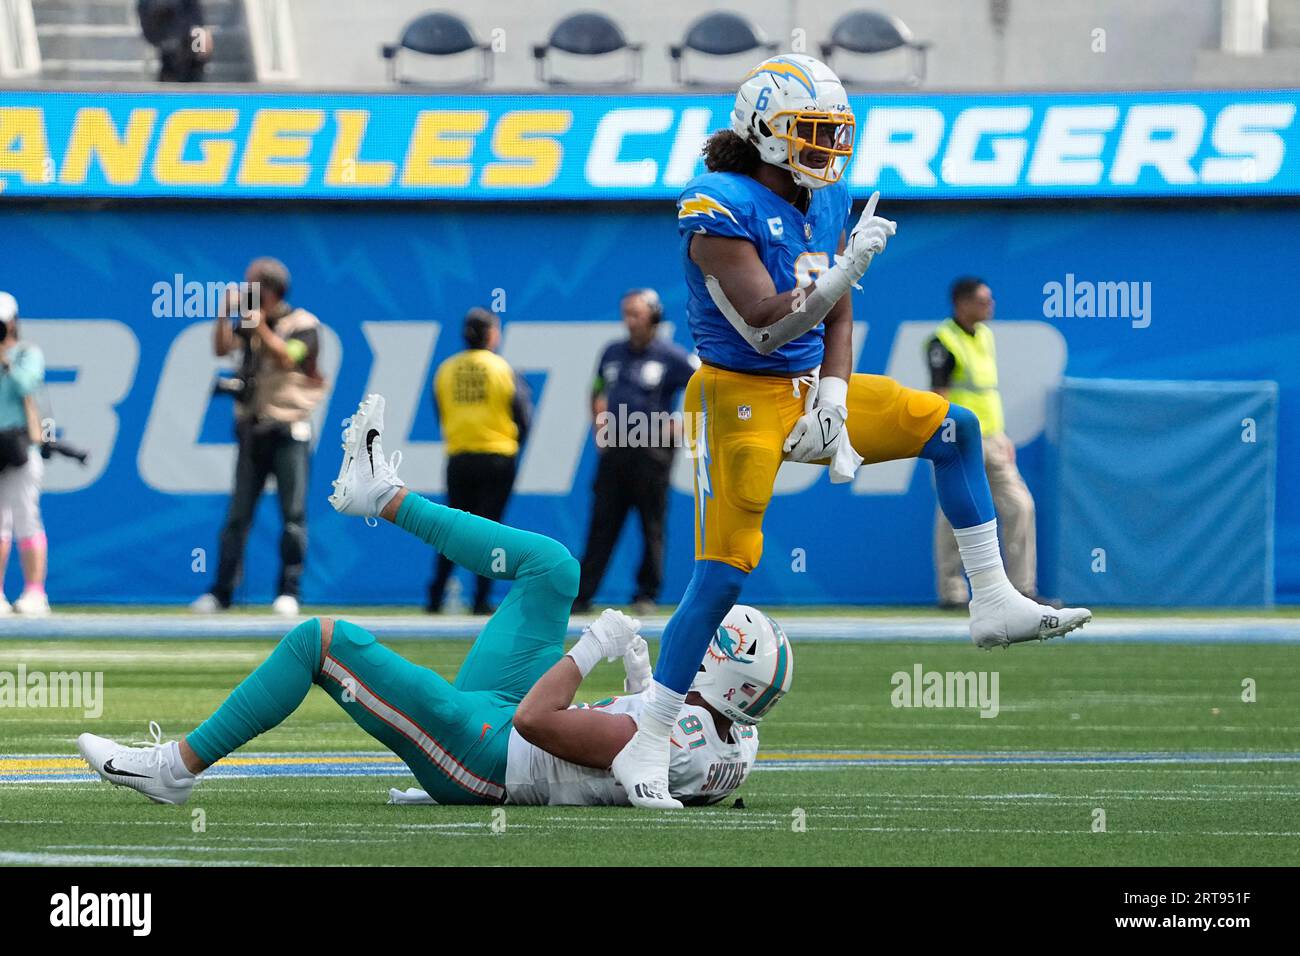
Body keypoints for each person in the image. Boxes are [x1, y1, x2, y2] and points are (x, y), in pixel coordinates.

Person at [610, 53, 1092, 809]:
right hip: (738, 391)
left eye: (834, 131)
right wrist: (841, 276)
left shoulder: (822, 197)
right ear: (764, 131)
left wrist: (833, 393)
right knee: (724, 570)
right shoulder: (717, 210)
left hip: (806, 384)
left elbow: (837, 308)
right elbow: (767, 324)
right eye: (811, 130)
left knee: (954, 428)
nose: (828, 147)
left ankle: (992, 598)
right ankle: (647, 742)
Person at [77, 394, 790, 809]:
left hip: (491, 755)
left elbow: (544, 724)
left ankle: (174, 769)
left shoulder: (687, 738)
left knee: (321, 640)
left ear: (724, 676)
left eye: (709, 649)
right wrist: (641, 691)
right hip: (508, 724)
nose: (695, 650)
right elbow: (639, 746)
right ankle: (380, 495)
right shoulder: (730, 735)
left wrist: (594, 649)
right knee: (553, 568)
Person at [192, 258, 325, 616]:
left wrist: (260, 327)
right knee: (238, 515)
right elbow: (221, 349)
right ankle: (221, 592)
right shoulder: (249, 321)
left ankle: (289, 591)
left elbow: (288, 358)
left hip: (289, 430)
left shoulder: (304, 324)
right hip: (252, 428)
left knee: (292, 514)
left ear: (271, 289)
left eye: (252, 285)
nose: (246, 290)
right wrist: (224, 315)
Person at [574, 289, 697, 616]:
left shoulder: (671, 356)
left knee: (651, 524)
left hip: (652, 453)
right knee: (602, 524)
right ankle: (582, 596)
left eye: (636, 314)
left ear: (653, 316)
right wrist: (598, 424)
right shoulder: (612, 352)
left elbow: (705, 388)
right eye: (625, 314)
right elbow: (597, 389)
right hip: (615, 452)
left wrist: (684, 425)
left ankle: (646, 594)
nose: (629, 321)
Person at [927, 278, 1039, 607]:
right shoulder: (942, 341)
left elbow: (986, 393)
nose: (990, 305)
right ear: (961, 303)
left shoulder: (986, 336)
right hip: (958, 442)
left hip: (991, 439)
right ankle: (952, 593)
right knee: (952, 514)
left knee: (1020, 506)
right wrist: (946, 442)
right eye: (982, 300)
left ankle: (1022, 591)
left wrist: (1002, 435)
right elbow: (939, 397)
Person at [428, 308, 532, 614]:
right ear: (491, 334)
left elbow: (440, 412)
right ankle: (480, 599)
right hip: (498, 457)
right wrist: (514, 446)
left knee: (452, 528)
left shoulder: (446, 369)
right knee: (490, 531)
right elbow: (524, 416)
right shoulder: (503, 369)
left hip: (459, 457)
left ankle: (435, 597)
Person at [0, 292, 49, 616]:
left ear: (13, 322)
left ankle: (35, 592)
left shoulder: (27, 354)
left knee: (26, 518)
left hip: (18, 447)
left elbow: (26, 386)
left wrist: (6, 361)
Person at [137, 0, 211, 82]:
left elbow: (197, 18)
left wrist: (201, 33)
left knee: (198, 43)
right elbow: (149, 28)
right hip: (166, 39)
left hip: (185, 39)